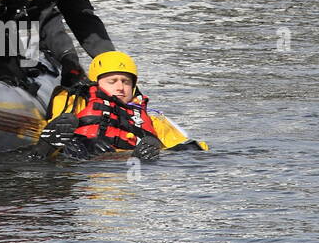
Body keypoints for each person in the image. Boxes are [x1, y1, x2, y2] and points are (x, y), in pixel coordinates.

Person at [38, 51, 206, 161]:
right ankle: (44, 151)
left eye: (126, 82)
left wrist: (152, 153)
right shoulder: (76, 103)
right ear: (96, 83)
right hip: (83, 164)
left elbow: (192, 149)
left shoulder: (152, 119)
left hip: (128, 165)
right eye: (112, 81)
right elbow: (55, 127)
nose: (120, 87)